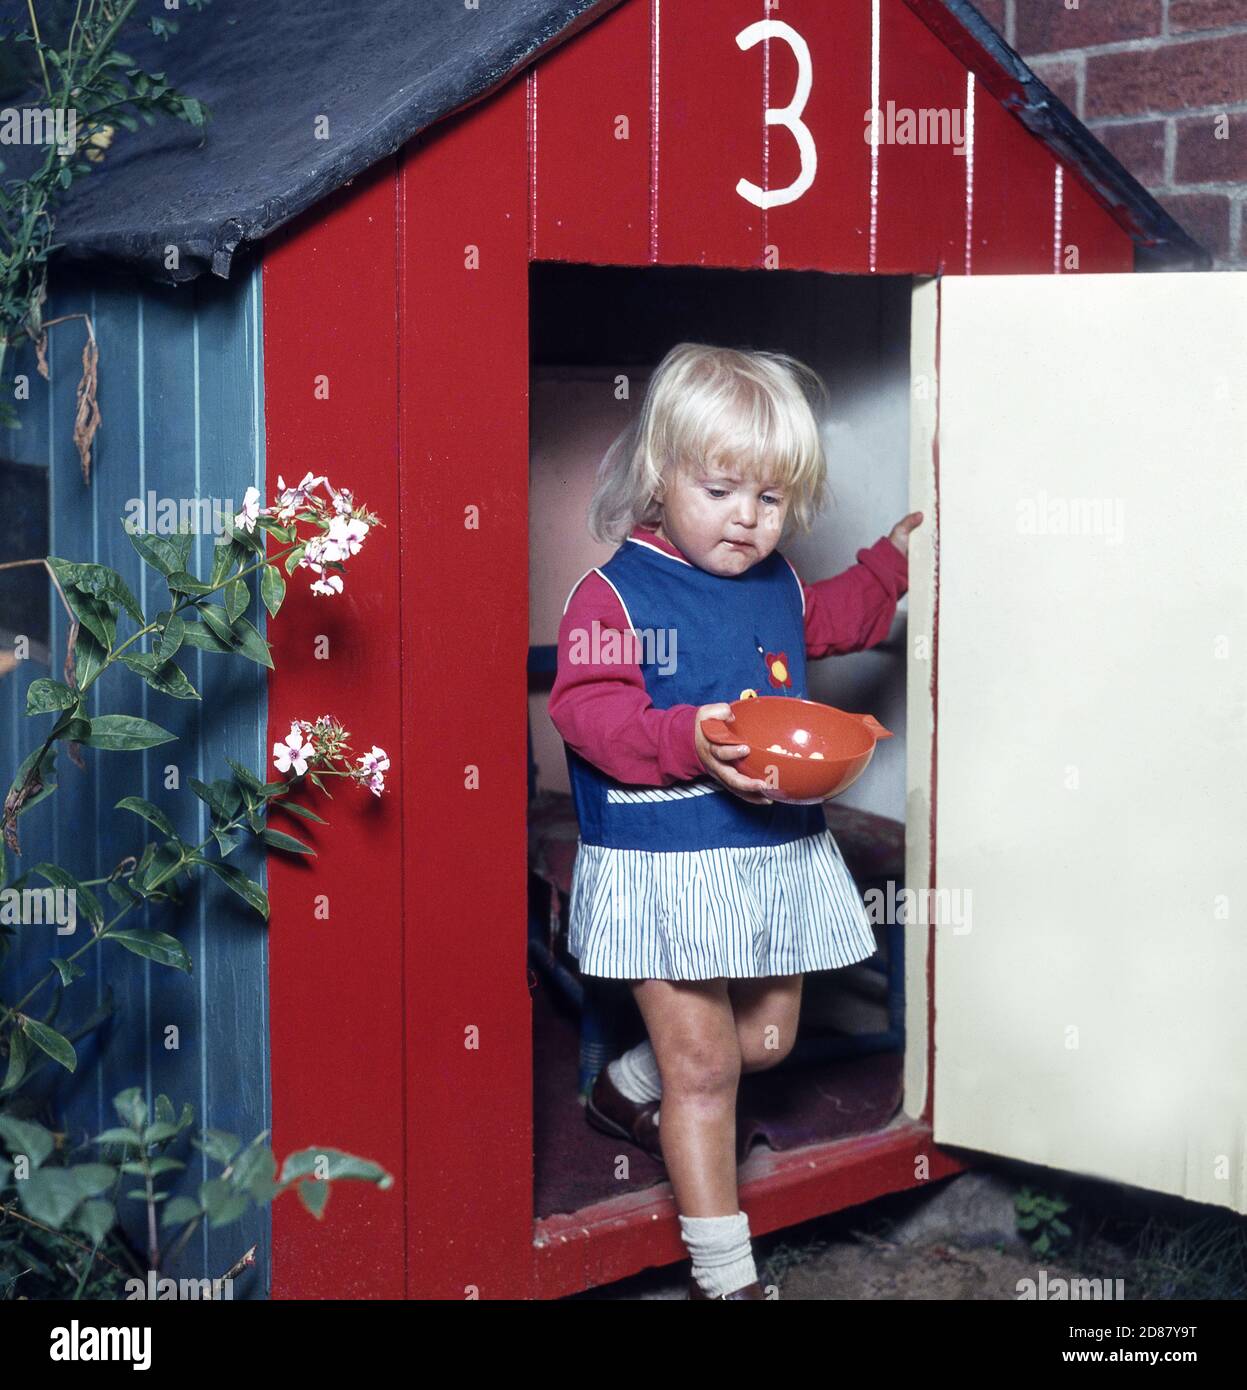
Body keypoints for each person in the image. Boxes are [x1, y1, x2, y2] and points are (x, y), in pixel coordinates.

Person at [548, 342, 922, 1300]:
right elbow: (584, 715)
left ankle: (623, 1086)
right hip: (662, 864)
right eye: (720, 490)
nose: (746, 520)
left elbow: (836, 617)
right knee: (708, 1070)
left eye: (769, 499)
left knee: (763, 1047)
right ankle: (727, 1277)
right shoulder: (613, 593)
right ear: (658, 473)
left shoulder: (778, 583)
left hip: (768, 855)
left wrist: (892, 560)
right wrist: (686, 738)